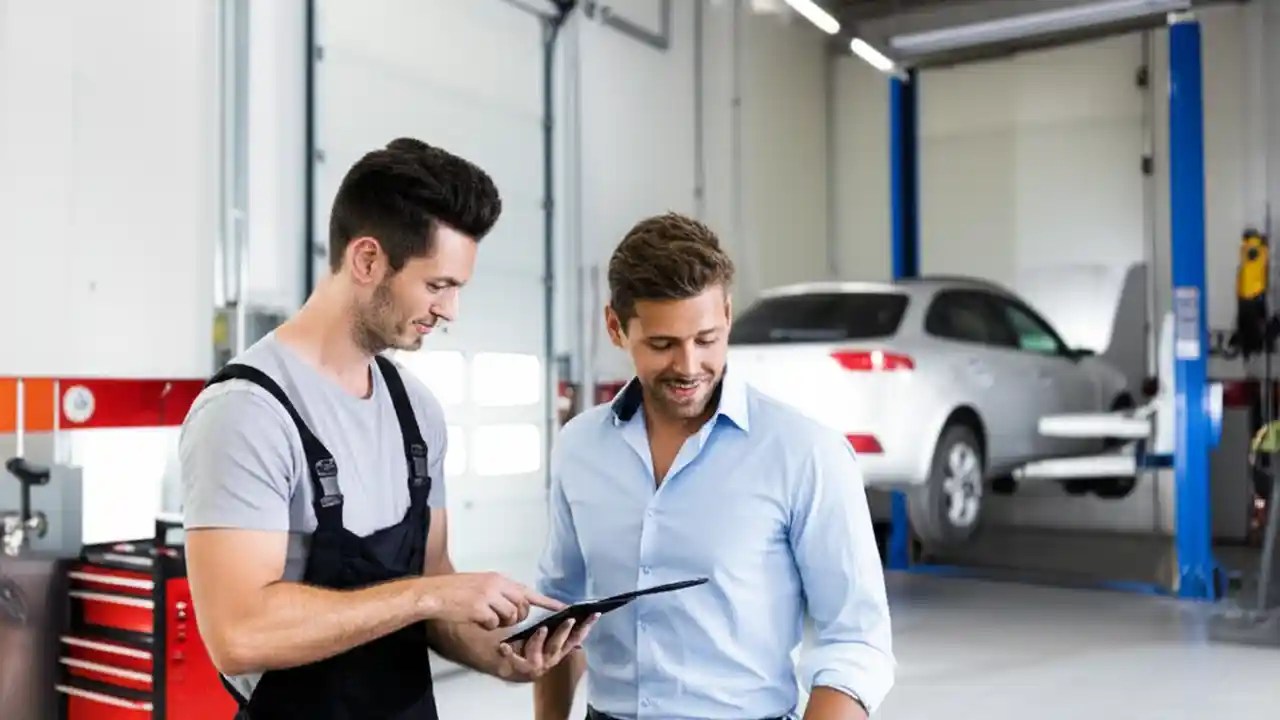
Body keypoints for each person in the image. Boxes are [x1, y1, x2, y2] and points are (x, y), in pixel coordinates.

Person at [179, 138, 594, 720]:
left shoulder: (417, 411)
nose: (450, 310)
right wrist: (428, 595)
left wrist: (501, 656)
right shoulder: (248, 413)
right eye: (437, 285)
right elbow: (239, 633)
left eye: (457, 288)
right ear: (368, 260)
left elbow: (434, 581)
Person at [532, 212, 896, 720]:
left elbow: (856, 640)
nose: (688, 367)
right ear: (616, 327)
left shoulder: (805, 453)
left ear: (726, 314)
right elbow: (559, 610)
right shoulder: (580, 447)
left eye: (706, 339)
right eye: (662, 344)